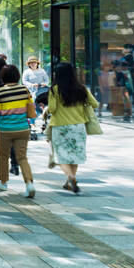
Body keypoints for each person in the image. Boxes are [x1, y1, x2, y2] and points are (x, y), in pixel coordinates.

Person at [47, 61, 100, 194]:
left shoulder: (55, 89)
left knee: (60, 156)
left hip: (60, 127)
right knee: (74, 155)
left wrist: (47, 109)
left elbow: (52, 109)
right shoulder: (81, 88)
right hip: (78, 127)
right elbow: (95, 104)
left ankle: (71, 177)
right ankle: (70, 181)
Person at [0, 64, 36, 198]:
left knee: (4, 156)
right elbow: (30, 106)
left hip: (5, 129)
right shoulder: (24, 89)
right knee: (22, 157)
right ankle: (29, 183)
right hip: (23, 128)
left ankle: (3, 182)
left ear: (3, 77)